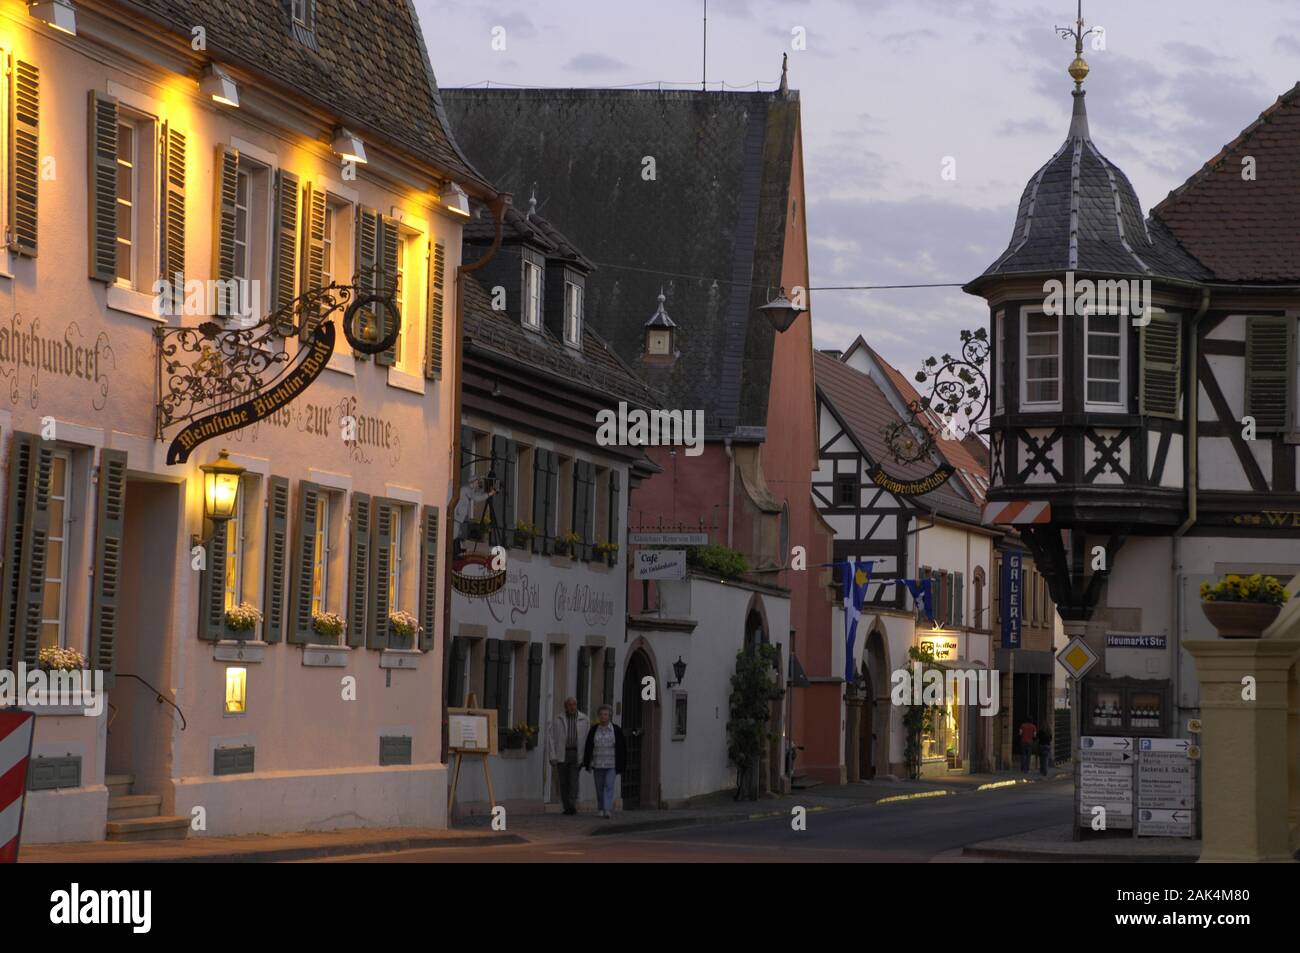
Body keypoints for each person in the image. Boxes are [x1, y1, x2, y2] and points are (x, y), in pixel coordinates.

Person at [582, 703, 627, 819]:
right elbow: (588, 746)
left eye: (606, 714)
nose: (603, 717)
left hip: (611, 763)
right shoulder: (594, 730)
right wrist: (587, 762)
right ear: (598, 716)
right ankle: (601, 808)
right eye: (601, 714)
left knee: (609, 785)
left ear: (609, 716)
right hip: (598, 763)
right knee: (599, 787)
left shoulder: (616, 730)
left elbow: (622, 747)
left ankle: (607, 809)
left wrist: (621, 763)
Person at [546, 697, 589, 815]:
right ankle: (567, 806)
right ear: (565, 706)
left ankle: (572, 805)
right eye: (570, 705)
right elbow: (551, 738)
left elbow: (586, 739)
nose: (572, 707)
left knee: (573, 781)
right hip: (562, 753)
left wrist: (586, 757)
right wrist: (552, 756)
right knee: (563, 782)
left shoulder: (584, 719)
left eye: (574, 704)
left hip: (576, 753)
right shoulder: (558, 719)